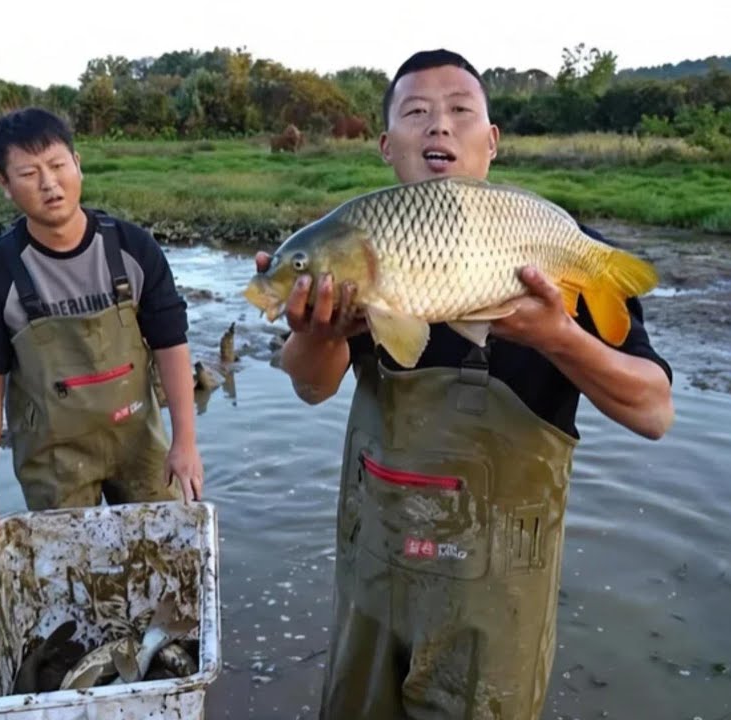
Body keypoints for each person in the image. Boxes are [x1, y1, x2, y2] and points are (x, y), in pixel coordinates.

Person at [254, 49, 674, 719]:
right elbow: (310, 387)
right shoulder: (364, 241)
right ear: (388, 146)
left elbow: (654, 411)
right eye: (416, 113)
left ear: (491, 141)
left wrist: (556, 336)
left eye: (459, 113)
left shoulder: (556, 237)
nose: (438, 128)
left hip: (496, 602)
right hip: (376, 579)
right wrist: (319, 332)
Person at [0, 107, 203, 541]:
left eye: (57, 165)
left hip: (140, 444)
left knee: (165, 553)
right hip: (54, 457)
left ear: (77, 164)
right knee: (71, 581)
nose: (49, 184)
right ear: (5, 185)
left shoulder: (133, 248)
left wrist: (185, 441)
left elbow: (171, 344)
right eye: (29, 173)